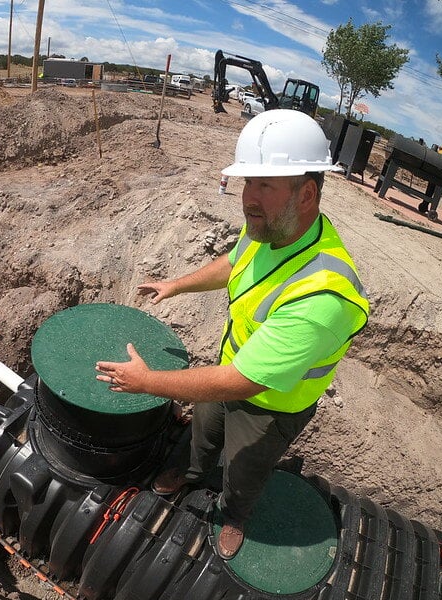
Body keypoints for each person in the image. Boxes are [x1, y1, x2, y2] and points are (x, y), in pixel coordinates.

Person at [95, 110, 370, 560]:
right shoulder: (270, 227)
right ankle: (189, 471)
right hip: (225, 372)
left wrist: (148, 383)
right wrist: (177, 283)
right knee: (201, 437)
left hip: (269, 408)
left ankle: (233, 514)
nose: (248, 198)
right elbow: (235, 261)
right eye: (247, 182)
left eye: (264, 184)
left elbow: (245, 380)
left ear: (307, 193)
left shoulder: (326, 296)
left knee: (244, 471)